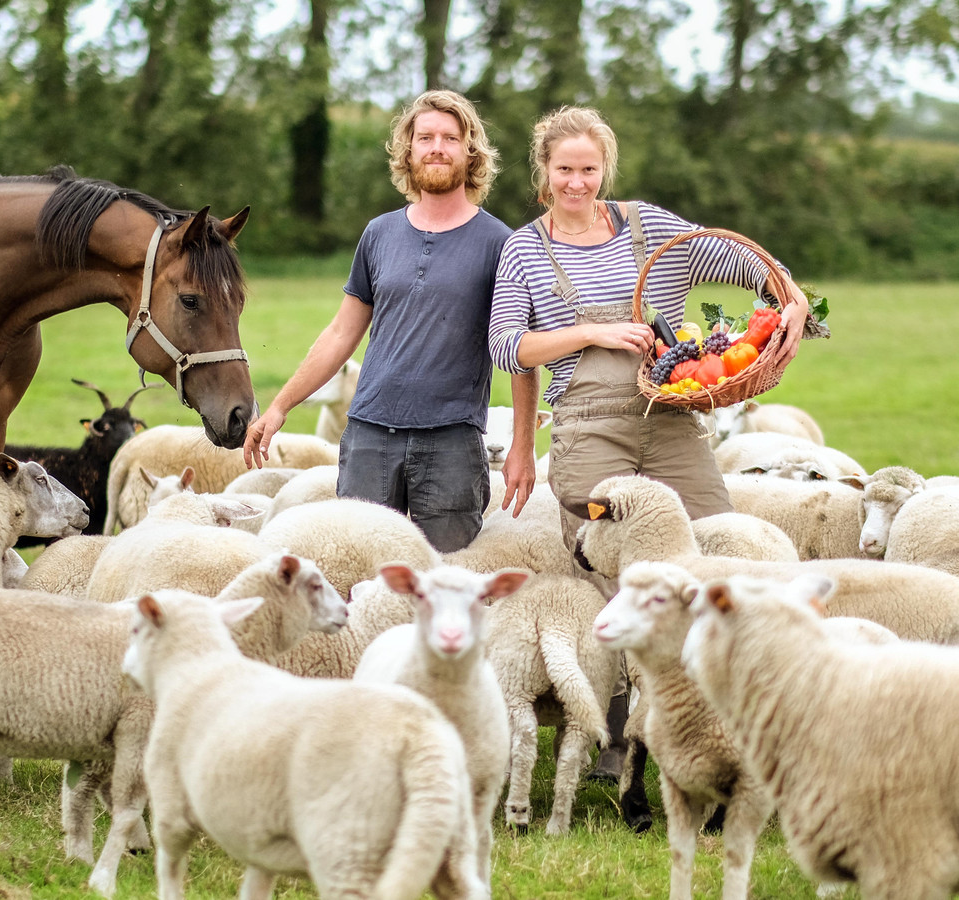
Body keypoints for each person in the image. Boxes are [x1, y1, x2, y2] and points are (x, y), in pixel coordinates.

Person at [488, 104, 808, 786]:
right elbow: (508, 345)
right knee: (614, 571)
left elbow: (743, 260)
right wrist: (591, 334)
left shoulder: (649, 226)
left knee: (713, 543)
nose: (577, 182)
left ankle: (721, 720)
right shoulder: (524, 247)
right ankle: (614, 732)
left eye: (589, 169)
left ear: (605, 168)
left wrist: (794, 297)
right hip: (587, 420)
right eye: (564, 169)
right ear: (543, 173)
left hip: (670, 415)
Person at [241, 89, 540, 554]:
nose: (437, 146)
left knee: (446, 581)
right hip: (368, 437)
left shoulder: (501, 243)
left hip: (452, 443)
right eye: (425, 137)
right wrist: (280, 406)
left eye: (450, 137)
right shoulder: (378, 233)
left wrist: (522, 445)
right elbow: (342, 332)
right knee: (355, 570)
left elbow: (521, 350)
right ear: (409, 151)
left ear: (470, 151)